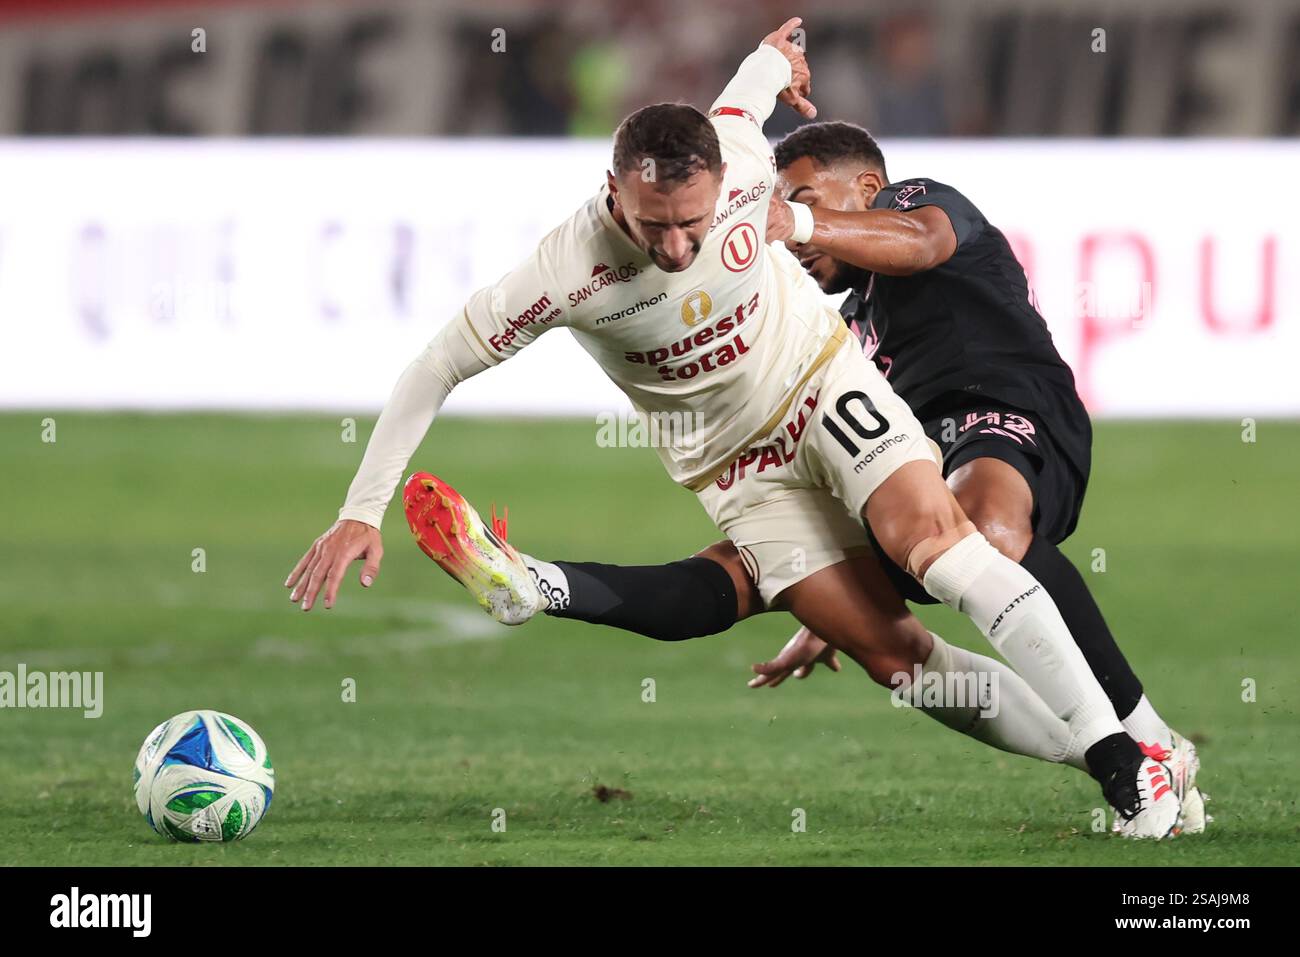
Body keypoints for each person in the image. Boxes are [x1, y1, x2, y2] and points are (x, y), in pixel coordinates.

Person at [284, 19, 1180, 838]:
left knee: (937, 543)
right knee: (894, 654)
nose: (678, 248)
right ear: (613, 192)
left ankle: (1125, 763)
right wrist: (362, 507)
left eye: (695, 223)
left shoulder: (749, 159)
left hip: (820, 386)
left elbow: (759, 75)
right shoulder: (563, 270)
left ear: (724, 181)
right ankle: (1130, 764)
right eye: (654, 227)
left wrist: (779, 56)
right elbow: (433, 367)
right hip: (735, 468)